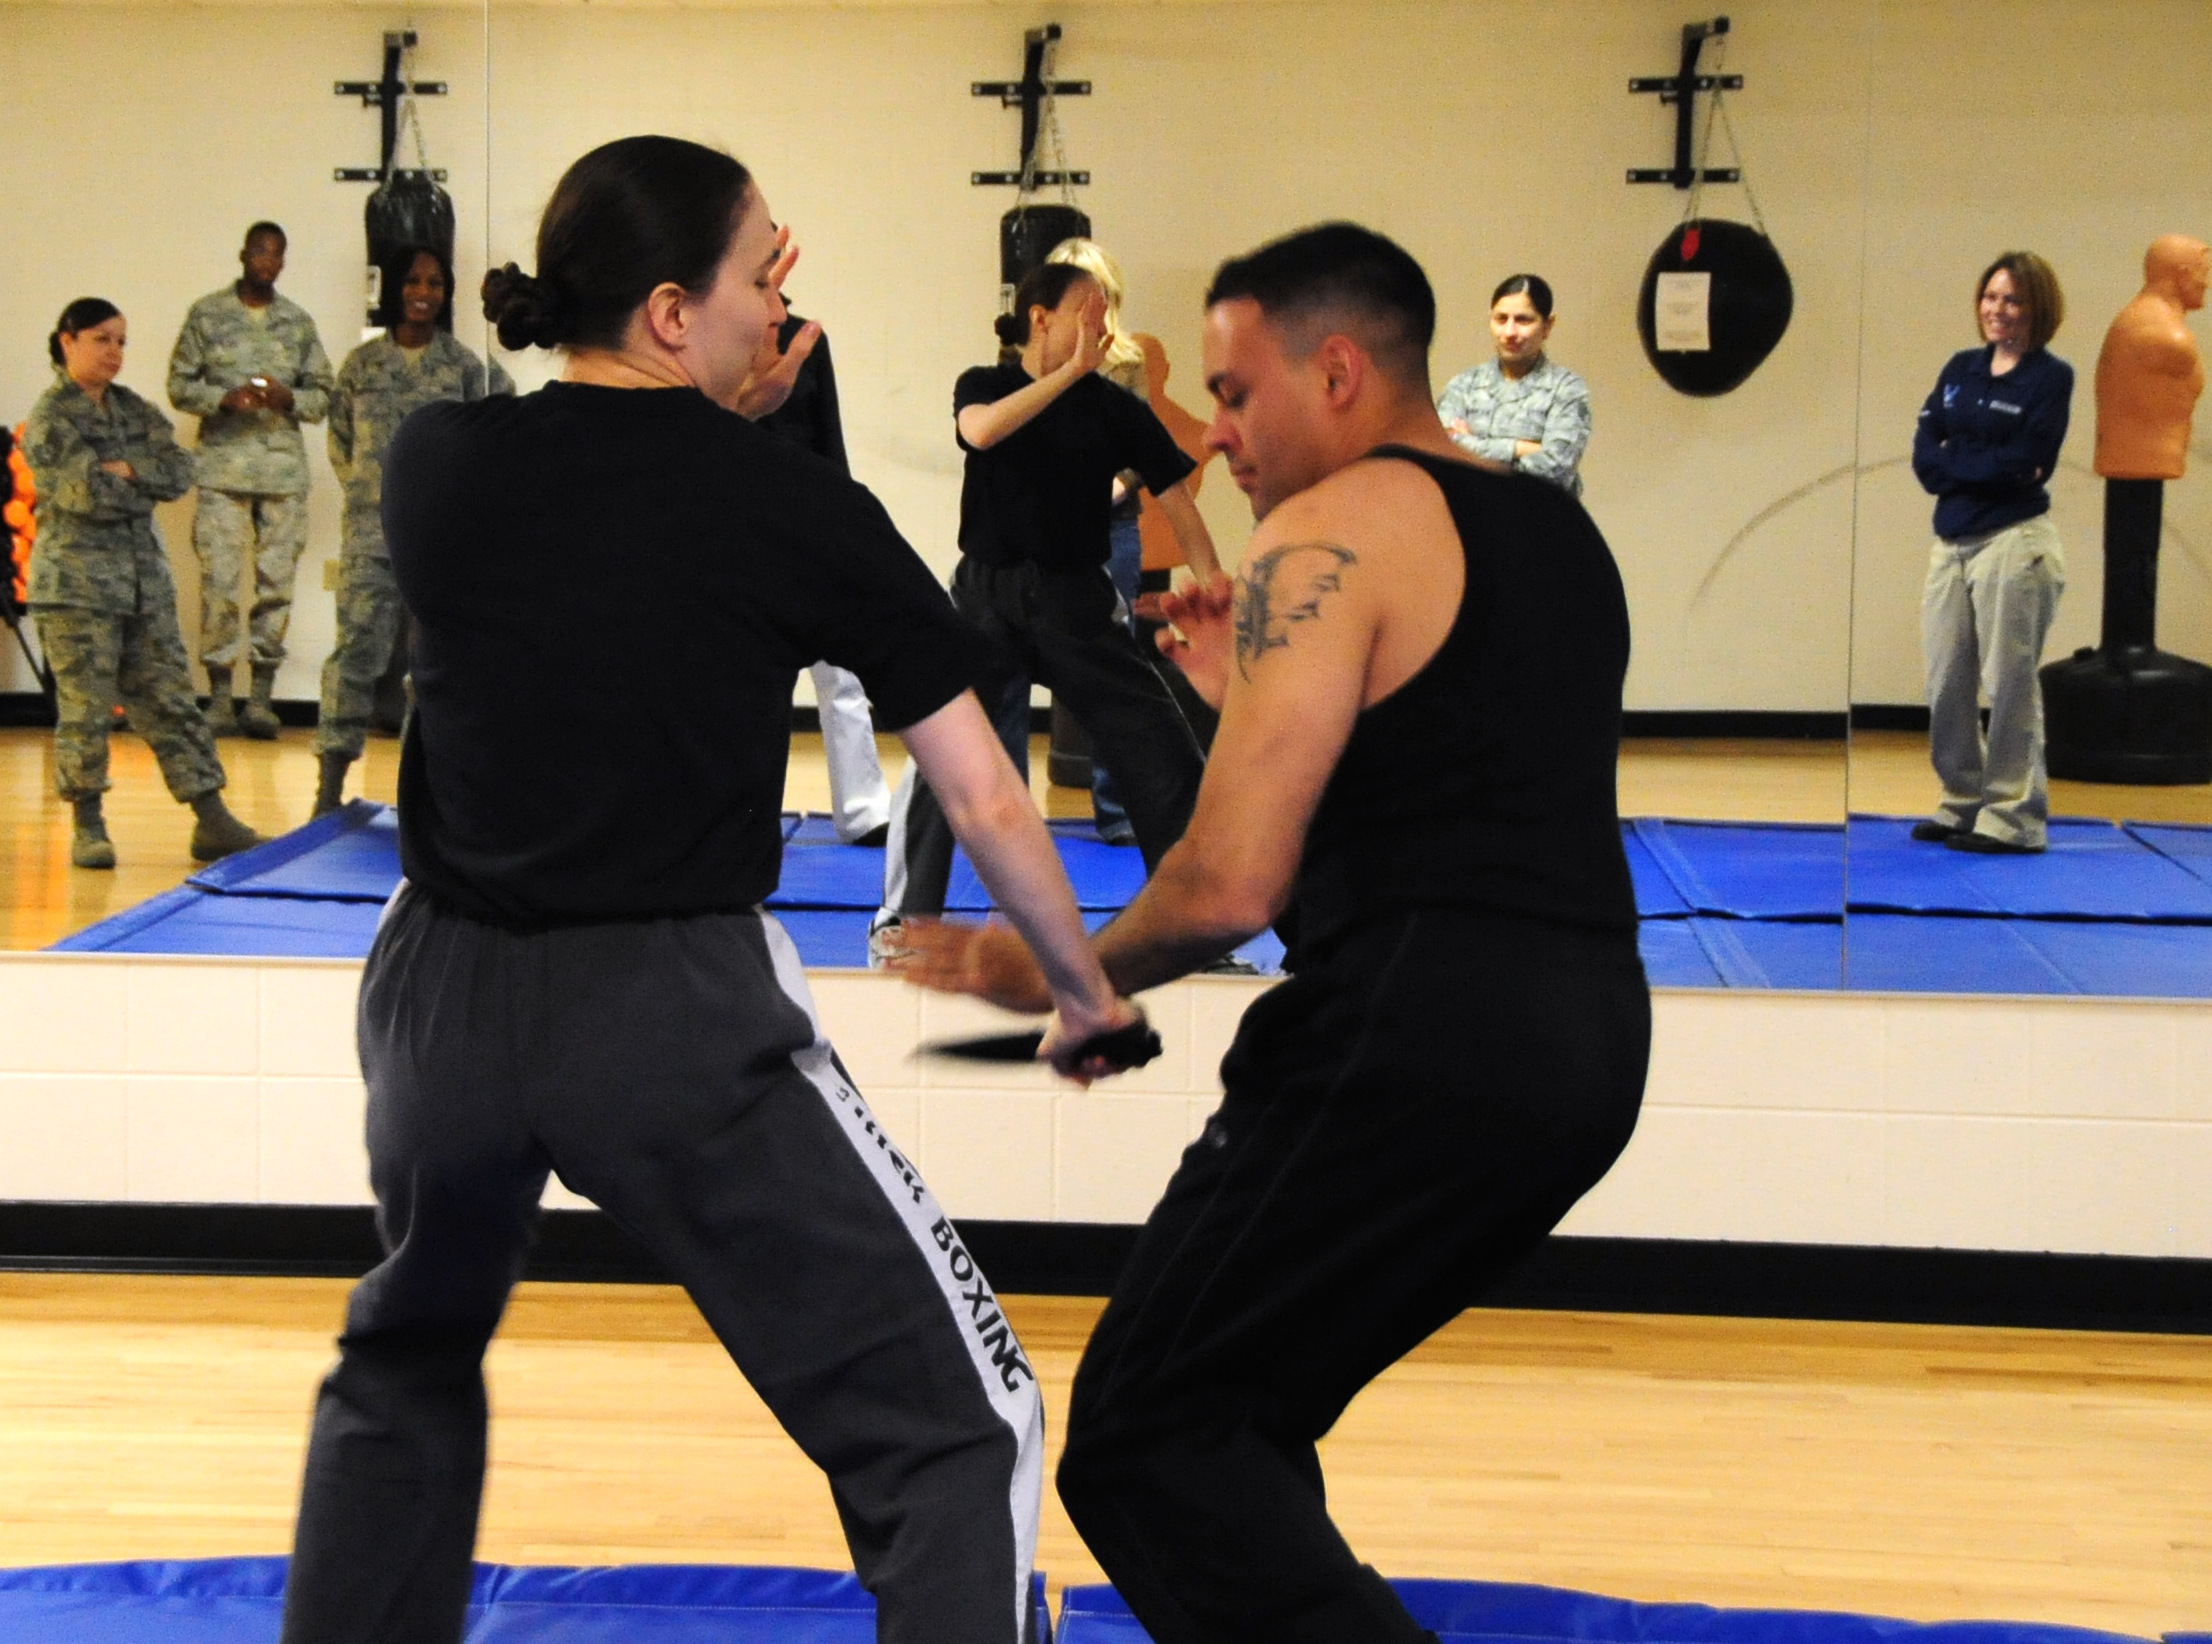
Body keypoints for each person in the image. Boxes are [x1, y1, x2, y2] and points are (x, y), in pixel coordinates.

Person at [275, 135, 1144, 1644]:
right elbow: (984, 785)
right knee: (957, 1424)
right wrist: (1083, 990)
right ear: (676, 313)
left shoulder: (437, 464)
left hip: (436, 1012)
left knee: (404, 1364)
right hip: (665, 1016)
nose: (778, 313)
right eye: (760, 280)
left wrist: (720, 418)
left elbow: (602, 550)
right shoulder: (795, 507)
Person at [899, 223, 1652, 1644]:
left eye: (1240, 394)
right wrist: (1213, 676)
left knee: (1141, 1433)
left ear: (1344, 369)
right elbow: (1401, 816)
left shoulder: (1328, 528)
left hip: (1410, 1039)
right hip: (1586, 1047)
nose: (1217, 434)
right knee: (1241, 1421)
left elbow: (1231, 886)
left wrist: (1051, 968)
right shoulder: (1557, 533)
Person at [872, 261, 1220, 958]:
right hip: (983, 599)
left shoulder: (1116, 406)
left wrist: (1211, 583)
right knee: (944, 754)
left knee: (1161, 747)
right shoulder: (986, 383)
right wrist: (1067, 377)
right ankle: (904, 924)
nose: (1103, 329)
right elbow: (981, 433)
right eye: (1089, 314)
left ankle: (1191, 927)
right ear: (1041, 318)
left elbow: (1176, 496)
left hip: (1076, 602)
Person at [22, 299, 264, 870]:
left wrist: (129, 472)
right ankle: (88, 824)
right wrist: (134, 479)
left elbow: (182, 471)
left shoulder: (134, 410)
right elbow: (84, 493)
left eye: (122, 341)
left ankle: (211, 819)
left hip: (142, 585)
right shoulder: (52, 417)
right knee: (84, 710)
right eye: (102, 339)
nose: (114, 352)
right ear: (67, 341)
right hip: (78, 588)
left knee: (172, 700)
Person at [310, 244, 513, 816]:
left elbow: (496, 437)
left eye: (435, 284)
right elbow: (341, 445)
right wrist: (370, 496)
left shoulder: (467, 368)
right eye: (413, 282)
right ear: (396, 289)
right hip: (370, 541)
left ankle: (415, 797)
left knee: (431, 674)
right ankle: (327, 793)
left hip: (441, 546)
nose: (423, 293)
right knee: (352, 660)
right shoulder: (361, 366)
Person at [1911, 251, 2072, 855]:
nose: (1997, 310)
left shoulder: (2050, 378)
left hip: (2014, 542)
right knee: (1946, 679)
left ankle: (2013, 816)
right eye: (1990, 297)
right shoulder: (1960, 369)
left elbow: (2026, 465)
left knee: (2008, 682)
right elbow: (1926, 454)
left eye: (2012, 300)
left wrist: (1961, 462)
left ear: (2036, 309)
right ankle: (1962, 802)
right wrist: (1970, 465)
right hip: (1952, 543)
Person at [167, 220, 334, 737]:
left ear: (283, 262)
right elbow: (178, 383)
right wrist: (222, 399)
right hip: (222, 469)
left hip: (282, 474)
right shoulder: (208, 315)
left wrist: (292, 400)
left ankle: (260, 699)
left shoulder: (297, 323)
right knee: (219, 584)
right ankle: (218, 699)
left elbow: (324, 393)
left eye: (277, 254)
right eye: (260, 251)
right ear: (243, 254)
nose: (268, 261)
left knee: (275, 587)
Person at [755, 302, 893, 845]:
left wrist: (843, 516)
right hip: (742, 517)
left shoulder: (804, 335)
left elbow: (827, 435)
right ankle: (747, 813)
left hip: (808, 515)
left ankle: (863, 809)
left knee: (840, 669)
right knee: (756, 679)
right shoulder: (712, 329)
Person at [1046, 235, 1153, 844]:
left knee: (1117, 665)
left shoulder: (1128, 362)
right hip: (1044, 527)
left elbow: (1145, 446)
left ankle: (1116, 812)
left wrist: (1115, 485)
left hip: (1111, 526)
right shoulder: (1025, 355)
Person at [1436, 273, 1590, 495]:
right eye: (1501, 319)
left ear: (1547, 325)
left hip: (1540, 522)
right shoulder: (1464, 386)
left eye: (1523, 320)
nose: (1509, 332)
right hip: (1470, 523)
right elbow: (1442, 452)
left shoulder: (1566, 389)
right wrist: (1519, 448)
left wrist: (1472, 446)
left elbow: (1556, 471)